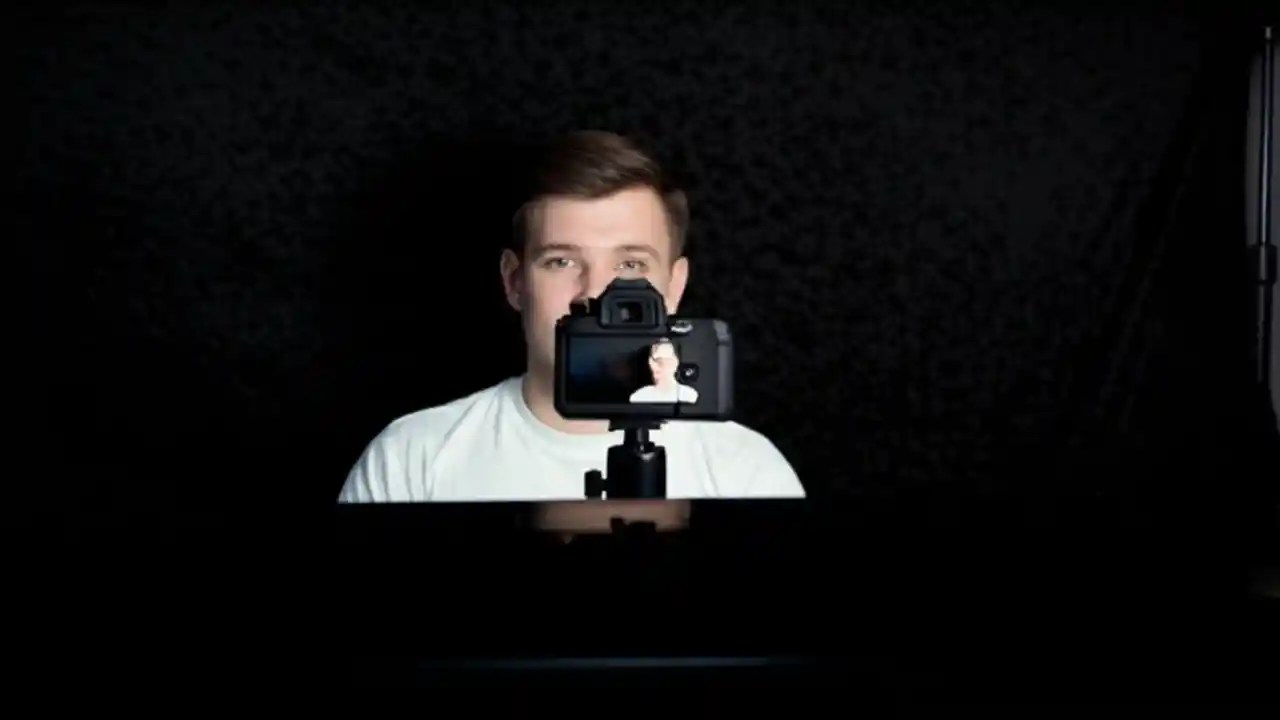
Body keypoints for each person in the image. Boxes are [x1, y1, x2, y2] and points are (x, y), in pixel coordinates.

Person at [337, 130, 804, 502]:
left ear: (674, 286)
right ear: (515, 281)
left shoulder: (746, 472)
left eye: (630, 265)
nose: (595, 294)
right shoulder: (412, 459)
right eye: (561, 261)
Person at [629, 339, 699, 404]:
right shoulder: (639, 397)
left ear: (675, 362)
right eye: (654, 360)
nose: (656, 366)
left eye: (661, 361)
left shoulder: (689, 396)